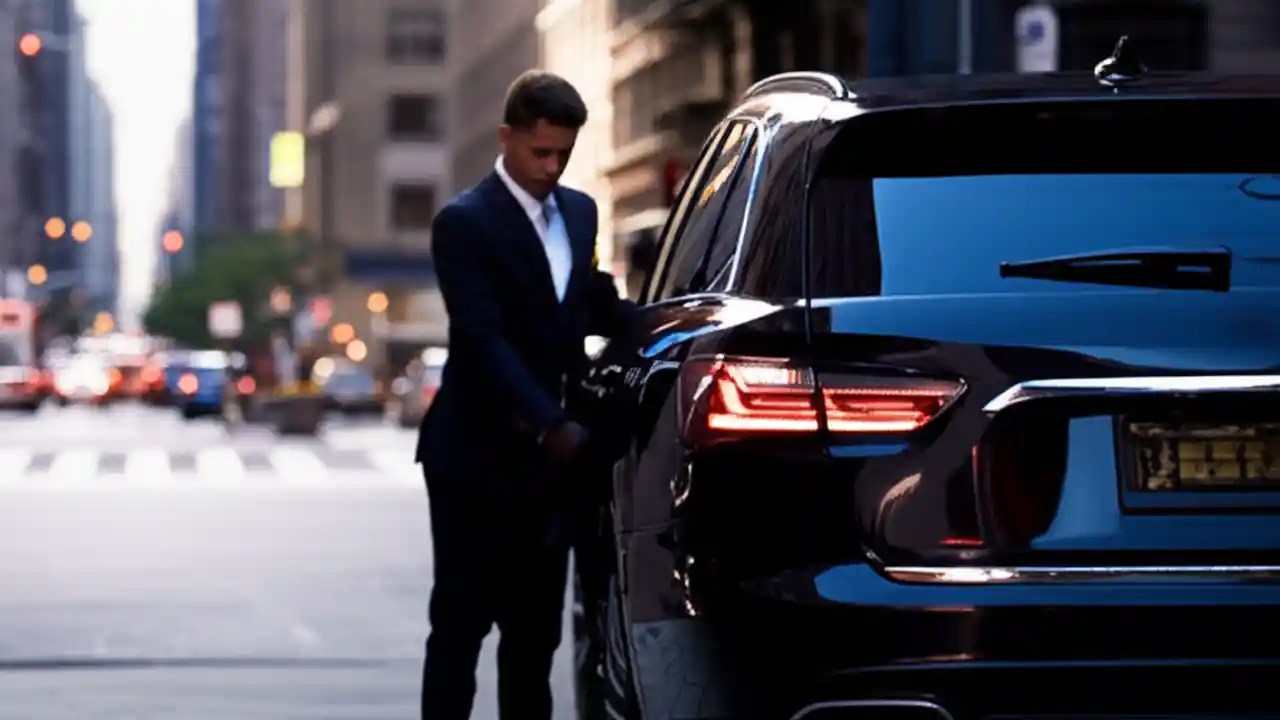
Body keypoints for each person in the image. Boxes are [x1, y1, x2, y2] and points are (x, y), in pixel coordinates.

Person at [415, 70, 634, 719]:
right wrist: (550, 424)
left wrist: (655, 321)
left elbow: (585, 304)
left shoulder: (579, 211)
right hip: (474, 461)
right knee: (460, 628)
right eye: (541, 151)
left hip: (548, 472)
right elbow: (482, 340)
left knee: (534, 639)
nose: (552, 165)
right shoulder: (464, 222)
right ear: (507, 137)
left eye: (564, 153)